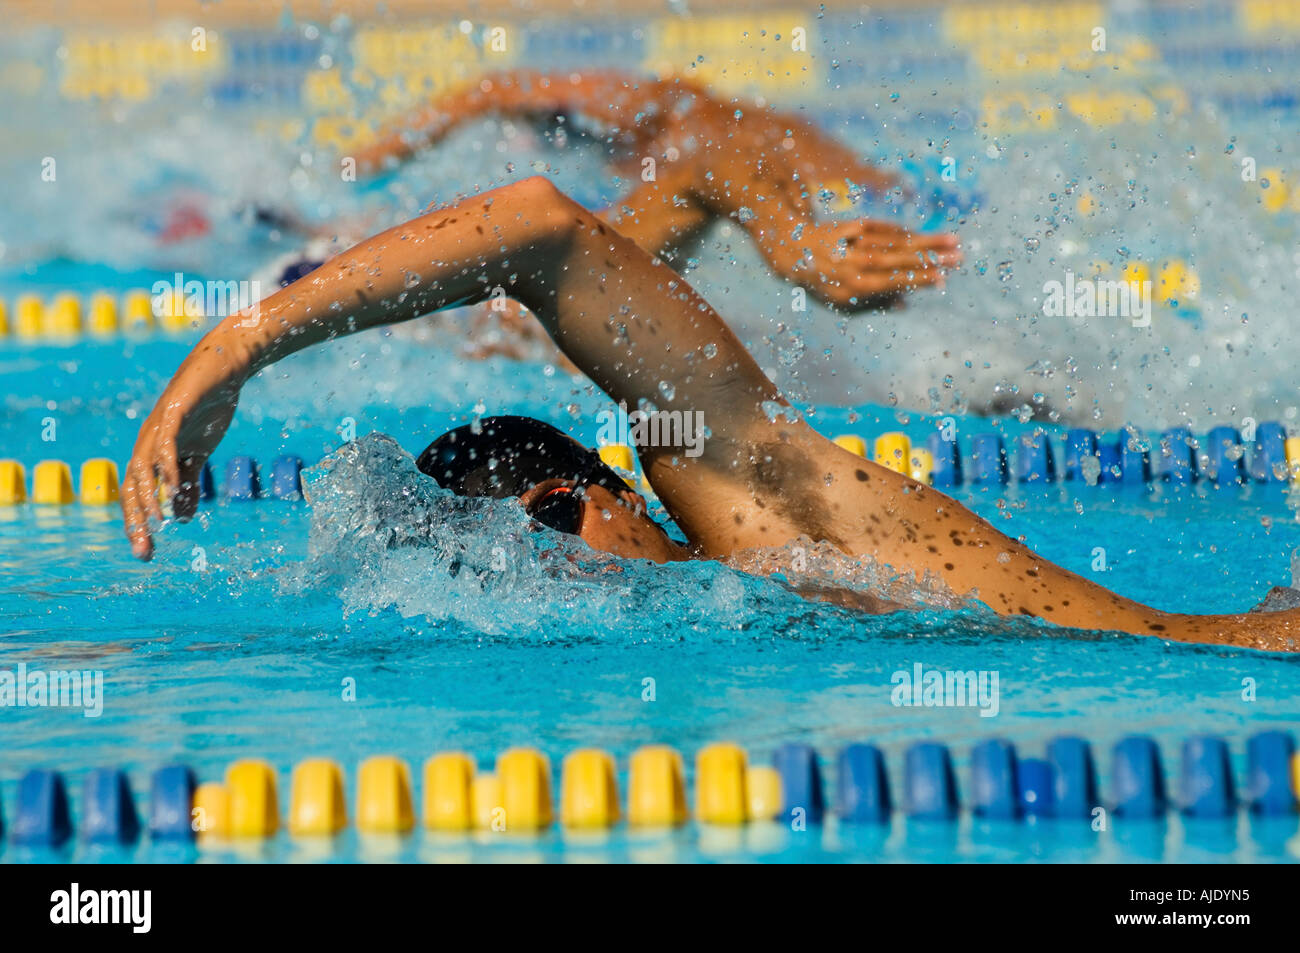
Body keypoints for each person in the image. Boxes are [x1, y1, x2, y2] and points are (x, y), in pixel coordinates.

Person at [121, 177, 1298, 652]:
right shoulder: (712, 610)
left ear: (587, 494)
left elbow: (538, 227)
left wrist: (228, 356)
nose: (551, 583)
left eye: (535, 548)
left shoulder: (750, 506)